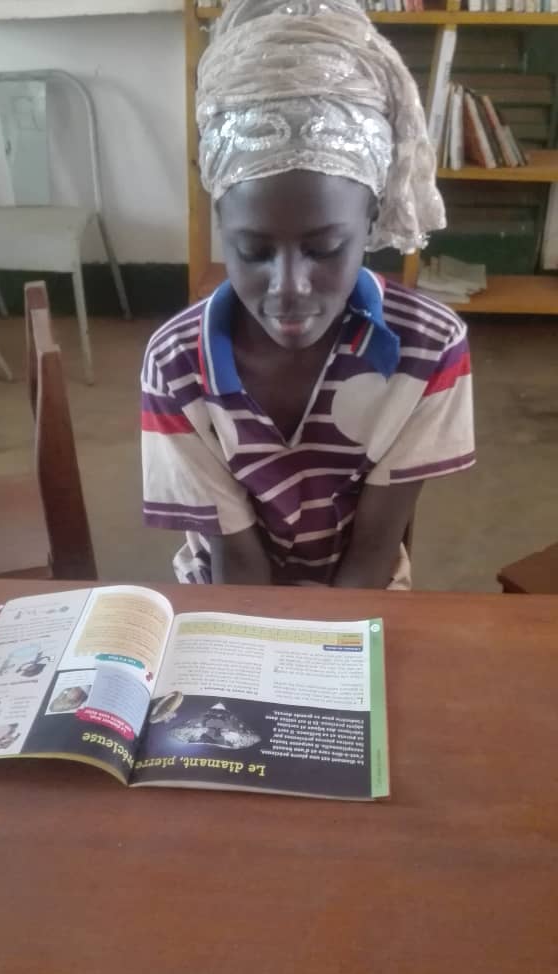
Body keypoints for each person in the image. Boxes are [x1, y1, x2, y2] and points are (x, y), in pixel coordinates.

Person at [141, 0, 475, 589]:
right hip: (229, 597)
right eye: (254, 251)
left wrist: (324, 664)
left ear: (372, 222)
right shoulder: (175, 365)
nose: (289, 288)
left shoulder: (428, 349)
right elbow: (236, 562)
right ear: (220, 220)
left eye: (323, 250)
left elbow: (373, 551)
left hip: (362, 603)